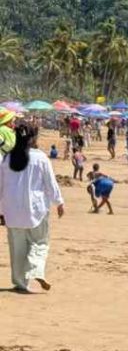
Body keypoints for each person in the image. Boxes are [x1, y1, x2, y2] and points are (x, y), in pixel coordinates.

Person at [0, 122, 64, 292]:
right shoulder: (40, 157)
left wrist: (1, 211)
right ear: (33, 138)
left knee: (17, 248)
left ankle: (20, 283)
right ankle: (36, 269)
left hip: (11, 210)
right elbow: (50, 183)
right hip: (36, 209)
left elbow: (1, 186)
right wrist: (59, 202)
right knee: (40, 242)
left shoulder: (6, 158)